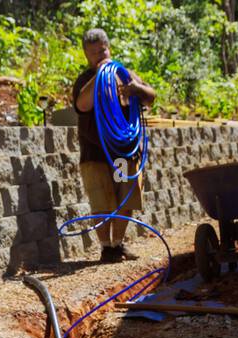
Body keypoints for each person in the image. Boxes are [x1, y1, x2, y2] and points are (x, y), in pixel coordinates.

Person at [71, 28, 156, 263]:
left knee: (124, 198)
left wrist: (137, 89)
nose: (100, 56)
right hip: (96, 153)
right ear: (86, 55)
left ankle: (118, 244)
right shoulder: (84, 80)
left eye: (103, 51)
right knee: (101, 201)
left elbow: (150, 97)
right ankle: (106, 247)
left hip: (123, 152)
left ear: (109, 49)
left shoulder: (124, 74)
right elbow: (82, 105)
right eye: (94, 54)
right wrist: (99, 75)